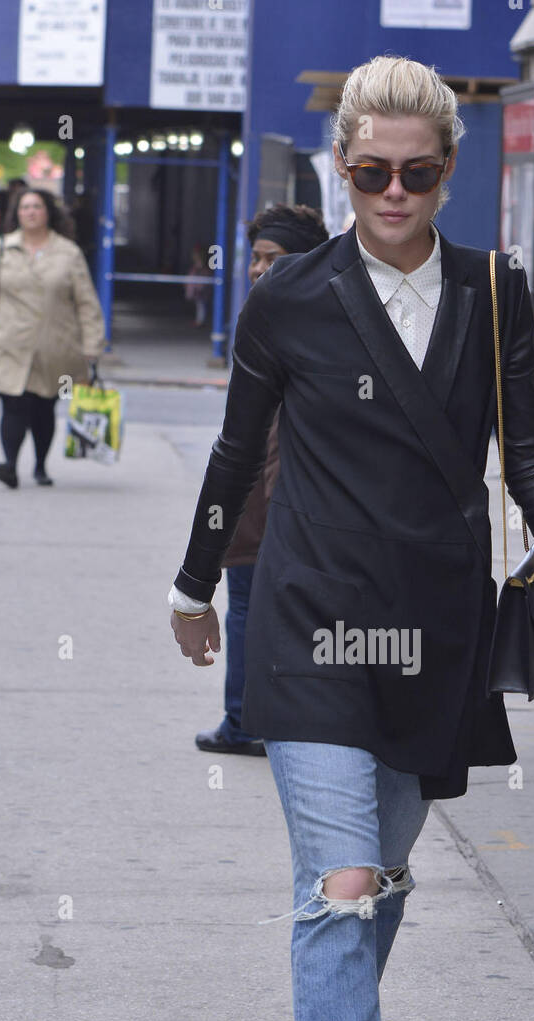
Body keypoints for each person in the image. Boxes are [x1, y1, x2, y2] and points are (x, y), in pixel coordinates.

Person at [169, 55, 534, 1021]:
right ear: (341, 169)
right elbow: (234, 455)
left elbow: (526, 455)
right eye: (370, 172)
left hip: (436, 635)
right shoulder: (291, 299)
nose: (393, 194)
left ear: (450, 175)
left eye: (417, 174)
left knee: (388, 878)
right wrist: (195, 579)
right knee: (344, 880)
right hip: (314, 625)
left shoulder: (492, 289)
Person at [194, 204, 329, 758]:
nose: (255, 268)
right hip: (268, 497)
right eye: (253, 257)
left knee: (251, 606)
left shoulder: (290, 318)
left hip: (276, 498)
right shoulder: (301, 310)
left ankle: (245, 722)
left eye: (269, 258)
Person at [0, 186, 104, 488]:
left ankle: (40, 465)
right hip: (9, 344)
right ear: (17, 214)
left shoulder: (69, 253)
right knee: (13, 403)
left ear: (48, 213)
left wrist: (92, 344)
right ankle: (10, 465)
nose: (30, 212)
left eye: (36, 207)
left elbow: (86, 302)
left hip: (55, 346)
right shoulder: (2, 249)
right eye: (25, 207)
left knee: (43, 407)